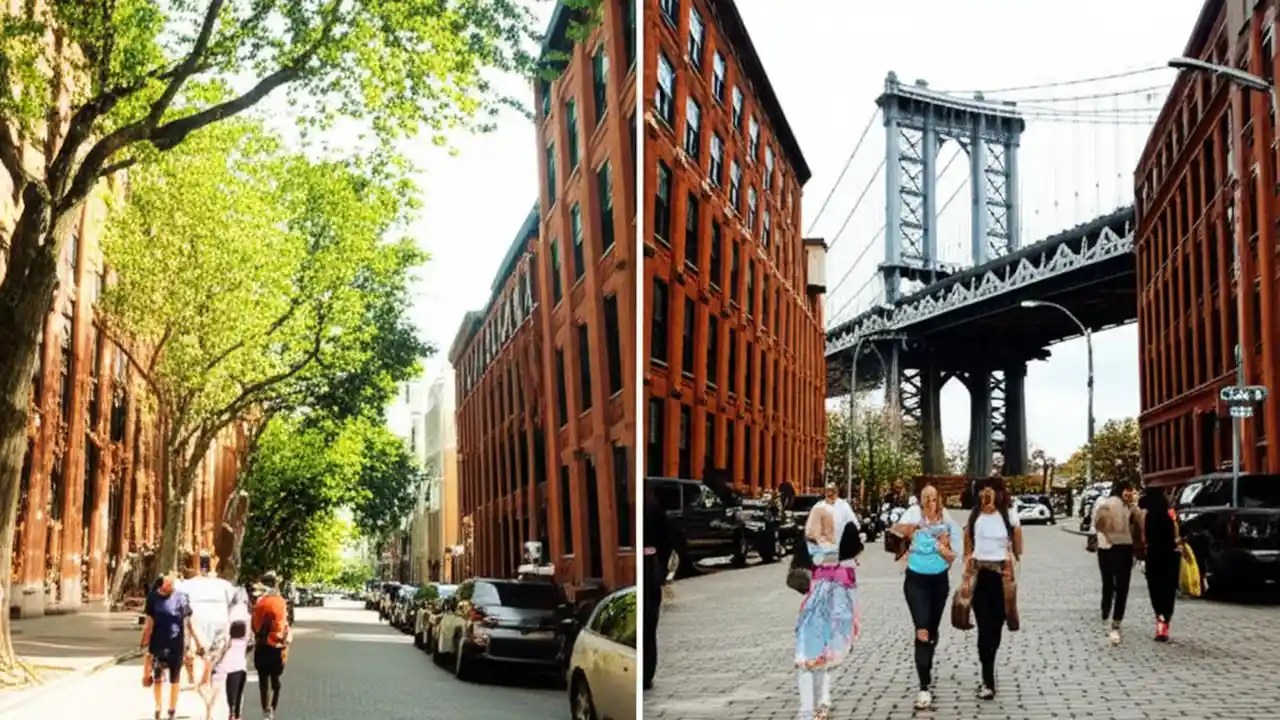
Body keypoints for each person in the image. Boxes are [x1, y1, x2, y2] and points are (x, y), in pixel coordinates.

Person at [893, 484, 963, 710]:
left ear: (939, 499)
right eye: (926, 497)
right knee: (921, 629)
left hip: (938, 581)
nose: (930, 502)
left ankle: (927, 662)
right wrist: (911, 530)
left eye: (933, 498)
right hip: (916, 580)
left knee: (931, 630)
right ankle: (924, 687)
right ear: (920, 499)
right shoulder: (913, 513)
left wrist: (945, 549)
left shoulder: (946, 518)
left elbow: (956, 550)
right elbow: (894, 532)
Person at [794, 501, 856, 720]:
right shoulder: (829, 548)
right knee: (824, 656)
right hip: (829, 604)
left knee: (812, 657)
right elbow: (846, 576)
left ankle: (812, 705)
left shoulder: (810, 547)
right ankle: (821, 702)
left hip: (816, 605)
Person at [964, 477, 1021, 701]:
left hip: (1001, 576)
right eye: (983, 491)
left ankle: (990, 661)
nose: (987, 495)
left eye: (991, 491)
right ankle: (988, 679)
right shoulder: (975, 515)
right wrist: (968, 565)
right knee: (984, 627)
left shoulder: (1009, 515)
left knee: (996, 626)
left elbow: (1018, 549)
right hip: (980, 575)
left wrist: (1013, 549)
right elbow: (968, 544)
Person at [141, 572, 206, 720]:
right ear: (162, 583)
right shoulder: (153, 598)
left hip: (176, 645)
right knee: (157, 677)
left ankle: (172, 709)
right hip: (157, 644)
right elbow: (149, 622)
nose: (169, 587)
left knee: (174, 678)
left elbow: (189, 623)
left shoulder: (181, 598)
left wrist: (197, 642)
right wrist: (144, 641)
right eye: (167, 584)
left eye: (171, 584)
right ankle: (158, 707)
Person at [182, 552, 238, 693]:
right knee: (211, 652)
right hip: (219, 617)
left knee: (190, 649)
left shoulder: (188, 584)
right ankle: (204, 679)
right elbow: (234, 601)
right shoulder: (224, 585)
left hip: (196, 617)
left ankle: (196, 678)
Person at [1093, 480, 1137, 645]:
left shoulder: (1103, 504)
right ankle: (1117, 617)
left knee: (1107, 581)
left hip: (1105, 547)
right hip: (1123, 547)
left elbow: (1097, 525)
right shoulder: (1127, 507)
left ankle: (1105, 609)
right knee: (1122, 585)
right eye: (1129, 491)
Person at [1140, 487, 1181, 642]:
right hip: (1170, 557)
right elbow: (1176, 535)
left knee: (1156, 592)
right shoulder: (1169, 515)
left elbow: (1144, 538)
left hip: (1153, 557)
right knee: (1168, 593)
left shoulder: (1148, 516)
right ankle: (1165, 623)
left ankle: (1160, 623)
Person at [251, 572, 291, 719]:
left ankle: (266, 710)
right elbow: (286, 623)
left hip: (262, 645)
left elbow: (255, 624)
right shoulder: (281, 601)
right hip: (278, 647)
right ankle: (273, 706)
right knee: (275, 679)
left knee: (263, 680)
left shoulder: (260, 602)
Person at [208, 589, 252, 720]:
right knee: (239, 681)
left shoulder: (228, 613)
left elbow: (224, 634)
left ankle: (230, 711)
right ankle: (236, 713)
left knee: (227, 683)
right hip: (240, 653)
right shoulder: (247, 614)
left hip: (229, 651)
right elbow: (249, 636)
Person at [642, 484, 670, 690]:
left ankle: (645, 673)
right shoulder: (656, 511)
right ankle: (647, 672)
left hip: (650, 568)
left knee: (646, 625)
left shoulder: (651, 511)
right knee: (649, 626)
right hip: (652, 568)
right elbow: (668, 540)